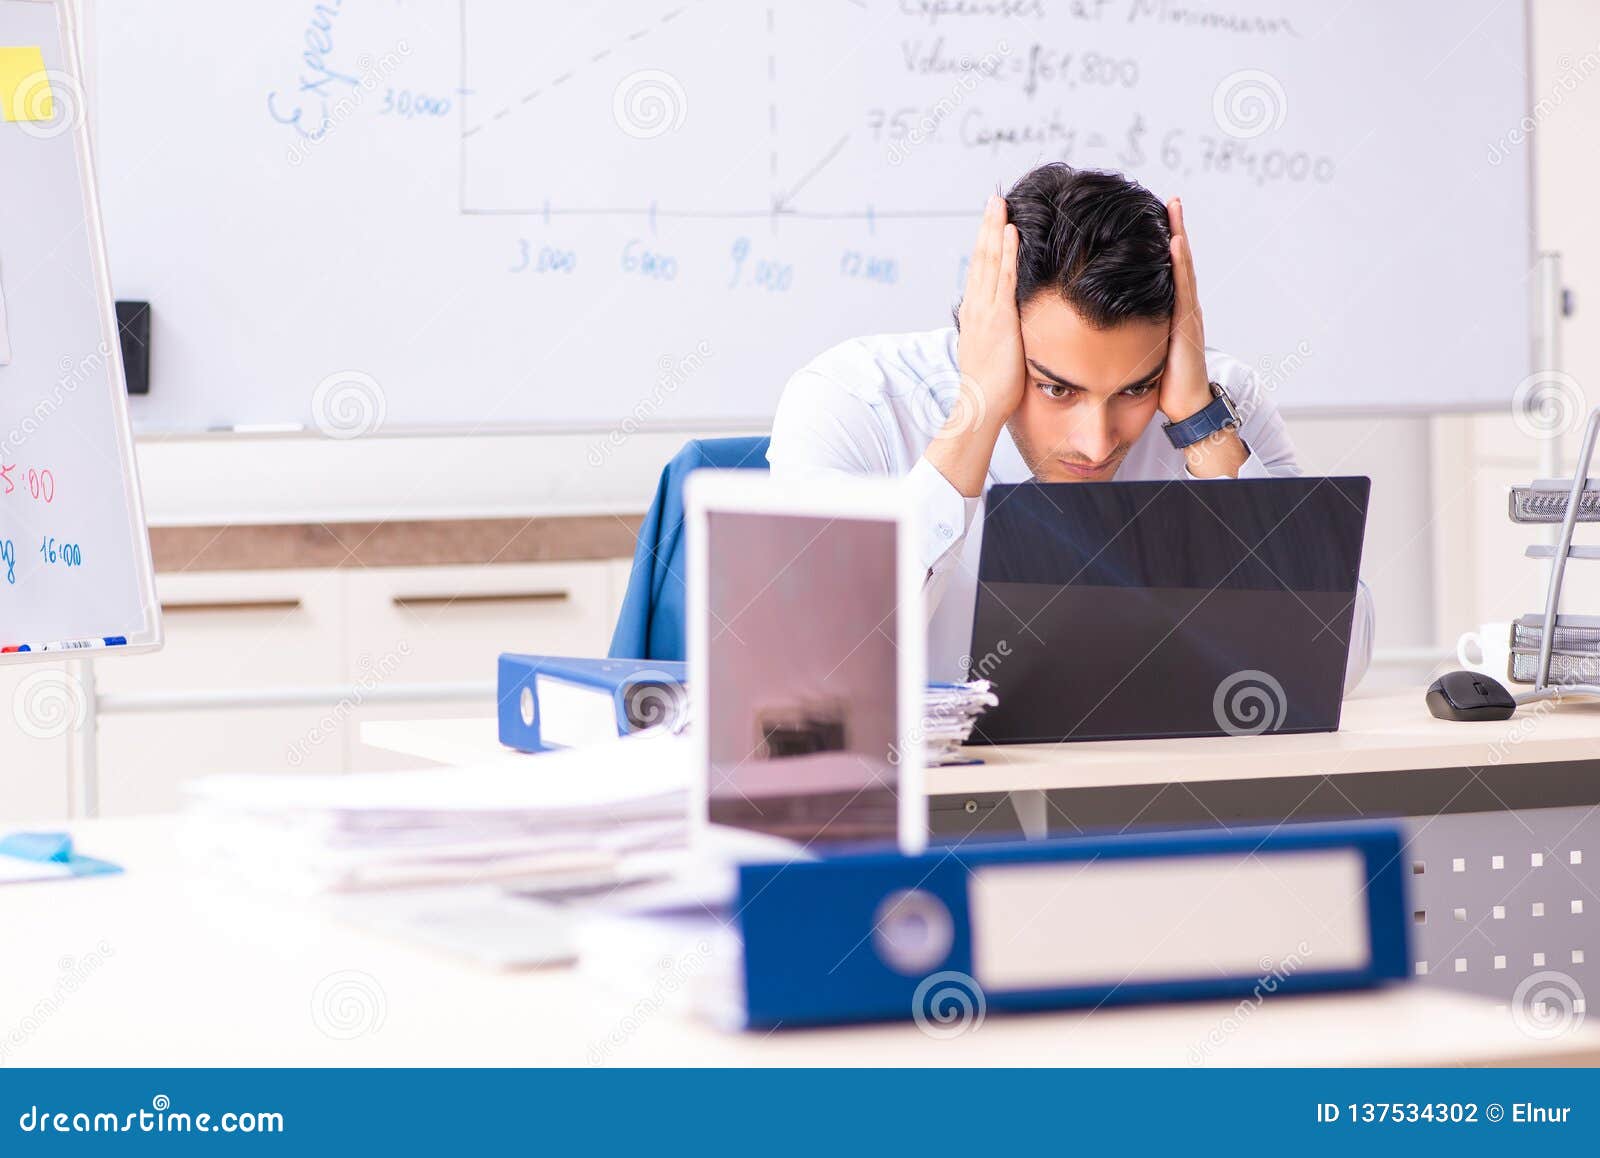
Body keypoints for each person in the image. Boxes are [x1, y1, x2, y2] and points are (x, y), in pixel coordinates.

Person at [767, 163, 1374, 689]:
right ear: (984, 329)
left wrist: (1203, 430)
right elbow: (819, 669)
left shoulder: (1212, 405)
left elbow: (1335, 663)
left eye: (1135, 388)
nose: (1096, 442)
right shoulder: (851, 401)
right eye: (1056, 388)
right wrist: (975, 415)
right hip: (939, 810)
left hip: (1147, 800)